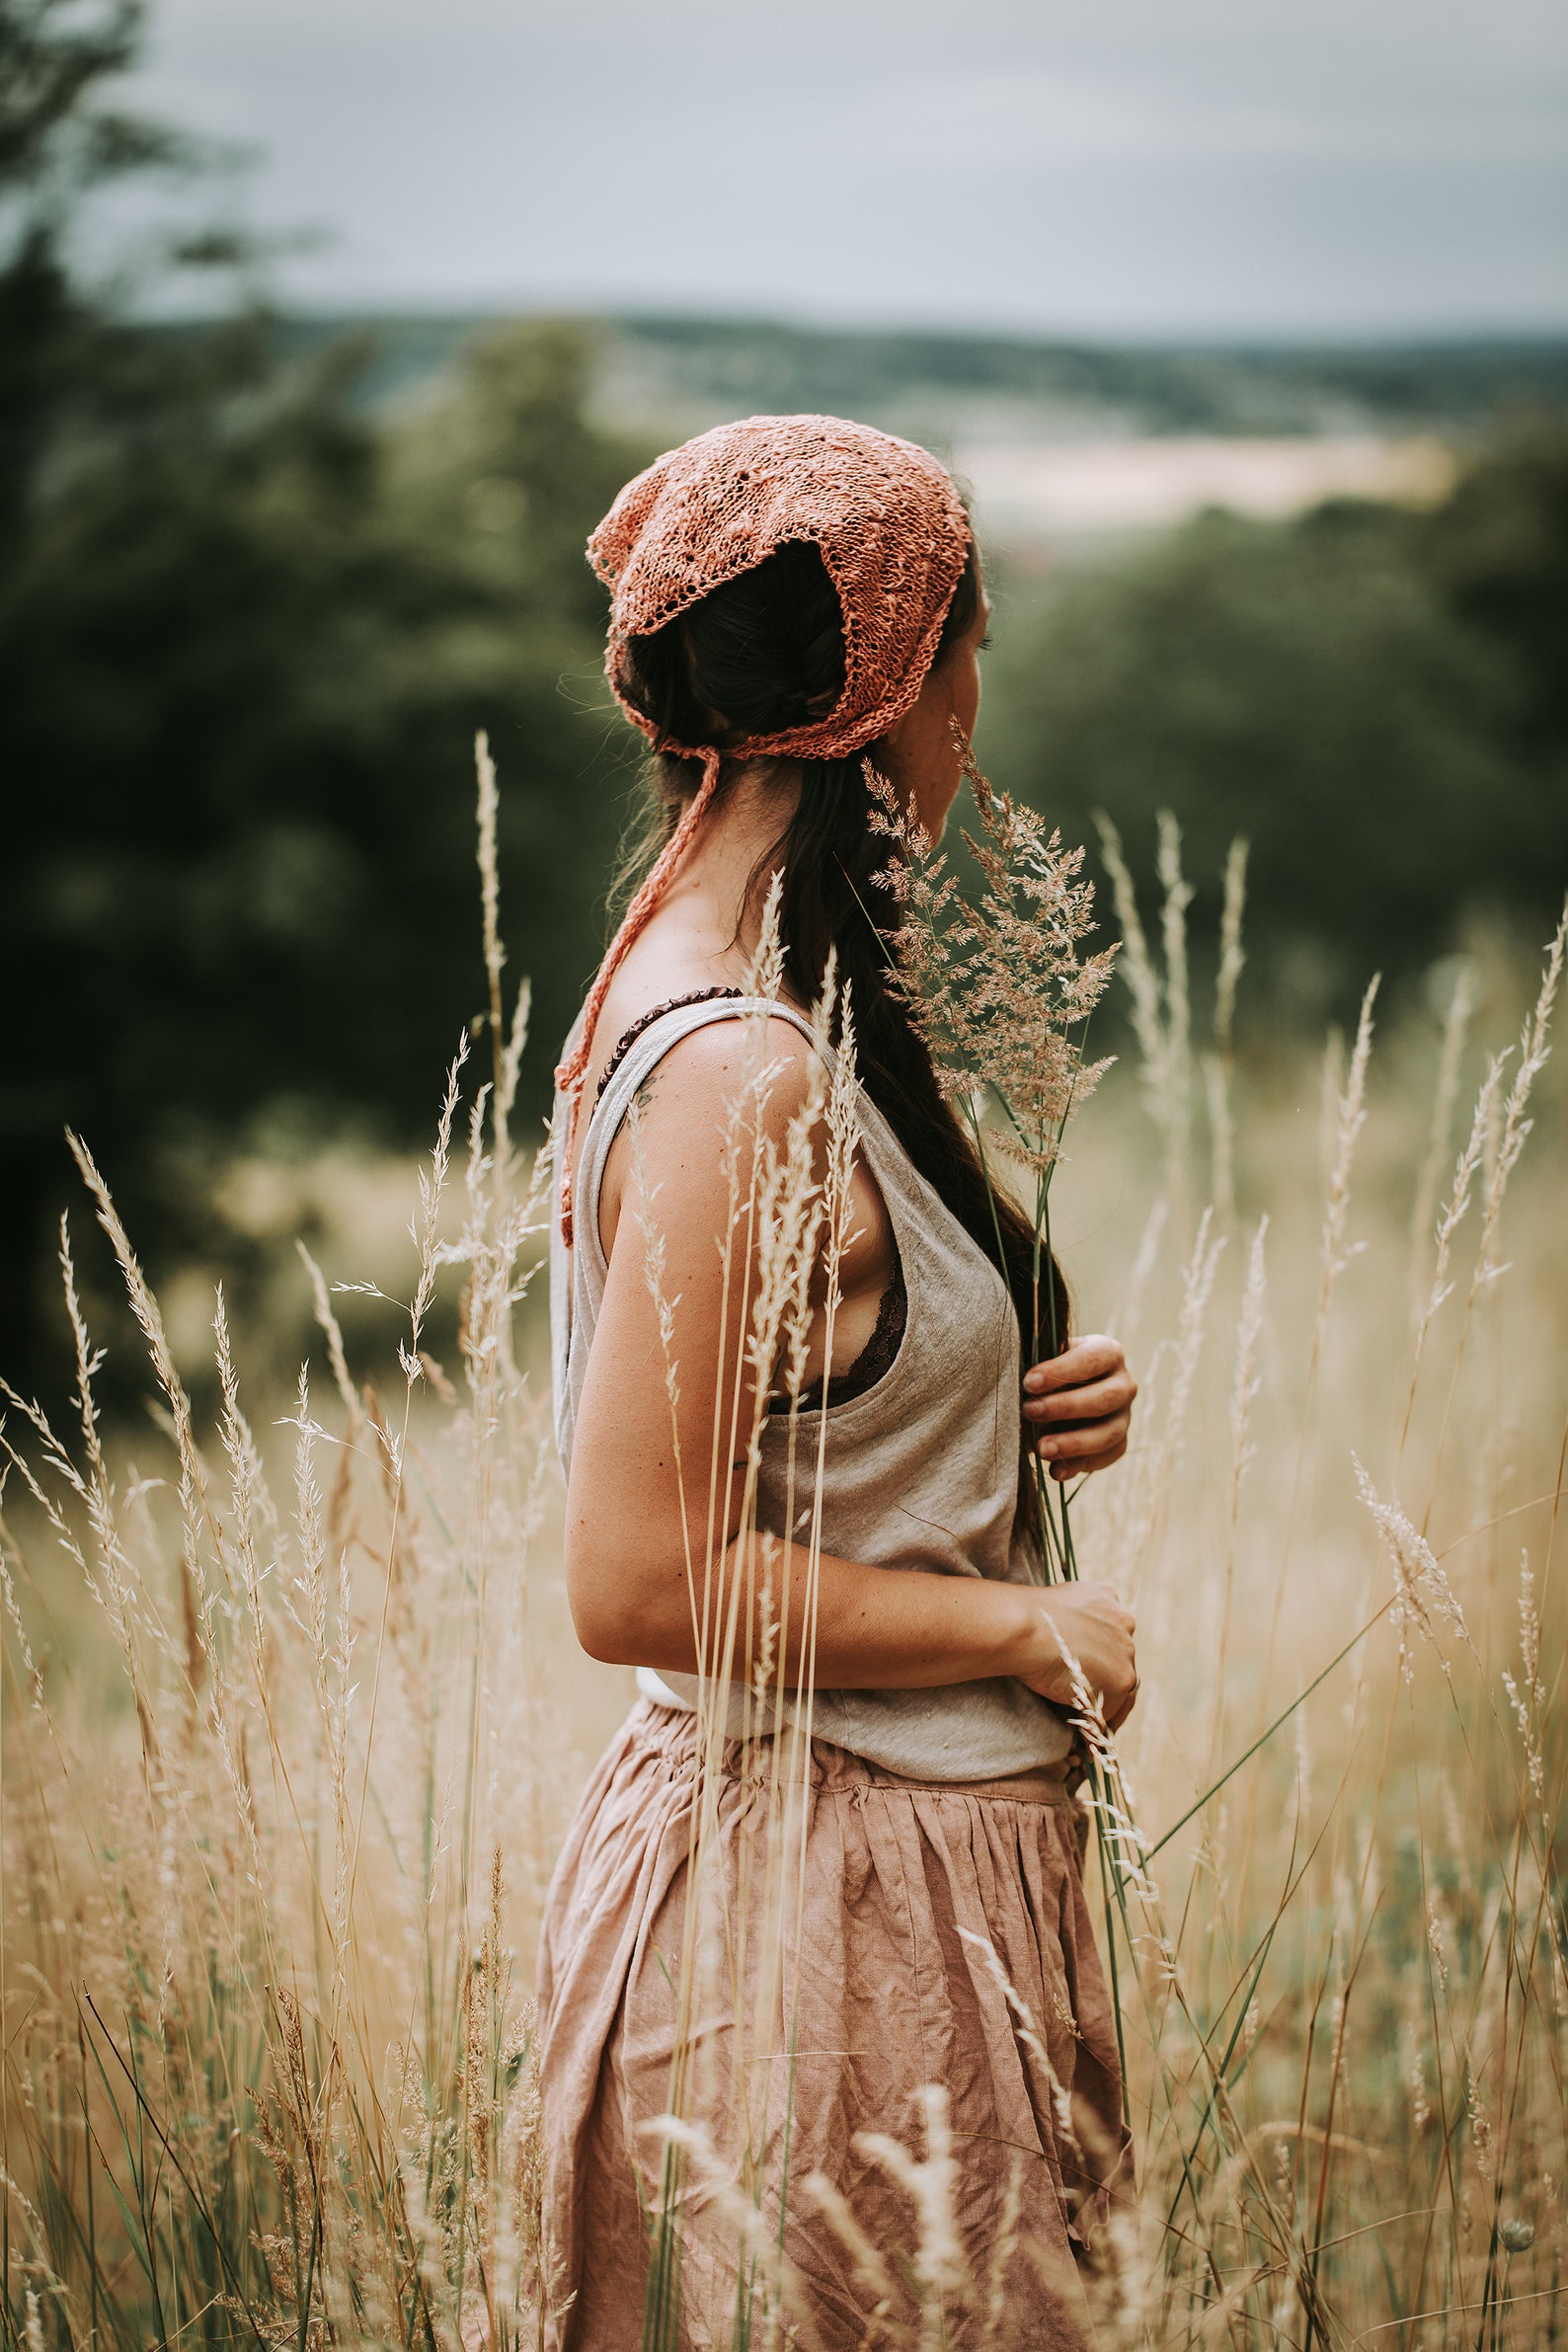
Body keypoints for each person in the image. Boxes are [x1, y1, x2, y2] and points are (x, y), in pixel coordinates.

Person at [538, 415, 1139, 2349]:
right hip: (815, 1930)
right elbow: (643, 1578)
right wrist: (1024, 1623)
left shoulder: (770, 996)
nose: (976, 709)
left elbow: (798, 1408)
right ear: (898, 686)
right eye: (969, 654)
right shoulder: (740, 1072)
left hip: (862, 1880)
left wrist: (1000, 1403)